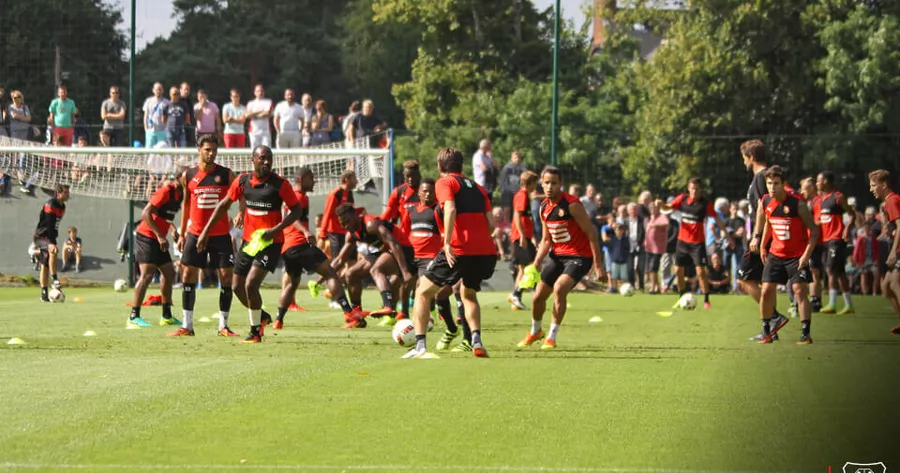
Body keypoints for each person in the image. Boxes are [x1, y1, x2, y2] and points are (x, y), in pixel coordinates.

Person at [198, 145, 304, 343]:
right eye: (262, 158)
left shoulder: (280, 184)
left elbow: (297, 211)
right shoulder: (242, 181)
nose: (267, 162)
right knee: (236, 286)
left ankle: (255, 332)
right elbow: (223, 205)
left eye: (269, 158)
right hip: (249, 242)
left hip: (271, 243)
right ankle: (261, 316)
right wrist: (205, 232)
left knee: (251, 284)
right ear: (252, 160)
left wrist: (276, 230)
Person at [404, 147, 496, 359]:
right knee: (468, 294)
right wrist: (479, 239)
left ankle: (419, 346)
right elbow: (492, 223)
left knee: (422, 292)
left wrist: (446, 243)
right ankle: (476, 341)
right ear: (462, 166)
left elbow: (451, 209)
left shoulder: (445, 182)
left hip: (460, 249)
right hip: (485, 253)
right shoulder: (478, 188)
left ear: (439, 166)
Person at [518, 166, 604, 350]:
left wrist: (598, 266)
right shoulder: (543, 208)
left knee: (559, 288)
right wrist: (536, 264)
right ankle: (536, 331)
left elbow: (591, 234)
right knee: (537, 297)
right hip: (557, 256)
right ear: (541, 183)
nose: (549, 187)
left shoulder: (572, 205)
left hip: (579, 256)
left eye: (554, 183)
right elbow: (546, 240)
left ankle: (551, 336)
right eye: (546, 182)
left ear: (561, 184)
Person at [275, 167, 364, 329]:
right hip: (299, 243)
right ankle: (349, 313)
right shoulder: (299, 197)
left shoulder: (300, 197)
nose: (314, 181)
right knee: (331, 273)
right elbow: (290, 217)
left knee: (292, 284)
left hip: (288, 247)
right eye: (311, 178)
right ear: (301, 180)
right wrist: (307, 231)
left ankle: (278, 320)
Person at [173, 134, 240, 338]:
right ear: (199, 150)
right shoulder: (189, 175)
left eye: (214, 150)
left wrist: (241, 212)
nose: (211, 153)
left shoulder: (226, 174)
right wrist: (183, 232)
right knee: (187, 275)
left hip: (220, 235)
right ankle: (187, 326)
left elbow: (240, 192)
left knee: (226, 277)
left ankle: (223, 326)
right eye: (207, 149)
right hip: (194, 233)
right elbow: (186, 205)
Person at [750, 165, 818, 344]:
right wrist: (763, 245)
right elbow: (768, 224)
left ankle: (805, 334)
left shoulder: (797, 204)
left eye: (776, 183)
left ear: (784, 184)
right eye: (769, 183)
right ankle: (767, 331)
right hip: (775, 254)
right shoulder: (765, 201)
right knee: (766, 290)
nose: (772, 187)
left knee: (799, 290)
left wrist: (805, 256)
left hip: (796, 255)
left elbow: (814, 231)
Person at [737, 140, 788, 341]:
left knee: (743, 279)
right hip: (766, 235)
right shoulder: (762, 177)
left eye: (743, 157)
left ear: (750, 157)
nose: (743, 161)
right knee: (767, 283)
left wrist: (758, 236)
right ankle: (769, 329)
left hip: (761, 237)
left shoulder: (760, 178)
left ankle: (774, 317)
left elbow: (764, 209)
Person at [400, 178, 461, 350]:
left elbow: (444, 232)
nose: (428, 194)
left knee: (425, 288)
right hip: (413, 255)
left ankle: (428, 320)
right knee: (405, 284)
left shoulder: (437, 211)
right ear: (418, 192)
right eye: (424, 191)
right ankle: (403, 314)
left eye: (431, 191)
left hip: (429, 257)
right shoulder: (411, 211)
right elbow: (405, 232)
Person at [658, 177, 729, 309]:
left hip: (697, 243)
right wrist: (661, 204)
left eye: (697, 189)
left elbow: (716, 218)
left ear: (700, 190)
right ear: (688, 189)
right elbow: (668, 207)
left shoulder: (705, 204)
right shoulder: (682, 199)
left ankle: (706, 299)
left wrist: (726, 234)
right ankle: (681, 296)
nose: (694, 191)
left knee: (701, 272)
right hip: (682, 242)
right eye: (692, 188)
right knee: (678, 270)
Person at [129, 176, 183, 327]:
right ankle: (134, 316)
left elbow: (165, 216)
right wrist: (160, 235)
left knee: (169, 272)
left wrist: (172, 230)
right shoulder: (166, 191)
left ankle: (166, 316)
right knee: (147, 275)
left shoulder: (181, 194)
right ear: (180, 178)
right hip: (147, 236)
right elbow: (146, 213)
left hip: (159, 237)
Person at [380, 160, 421, 321]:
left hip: (422, 242)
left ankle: (422, 311)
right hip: (403, 243)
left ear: (419, 173)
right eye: (406, 176)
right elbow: (388, 217)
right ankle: (394, 312)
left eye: (412, 176)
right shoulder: (399, 192)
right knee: (397, 278)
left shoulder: (427, 190)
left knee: (417, 280)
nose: (410, 179)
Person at [814, 171, 856, 314]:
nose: (817, 183)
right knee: (839, 272)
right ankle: (849, 305)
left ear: (825, 181)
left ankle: (832, 303)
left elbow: (852, 214)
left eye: (818, 180)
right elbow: (824, 219)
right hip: (826, 239)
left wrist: (847, 229)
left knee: (830, 270)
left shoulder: (838, 197)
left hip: (836, 239)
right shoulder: (821, 199)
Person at [867, 170, 900, 334]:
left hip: (899, 249)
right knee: (886, 286)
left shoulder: (892, 201)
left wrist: (894, 251)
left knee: (894, 283)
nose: (871, 189)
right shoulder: (889, 202)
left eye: (874, 186)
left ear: (884, 185)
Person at [508, 170, 539, 310]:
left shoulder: (524, 195)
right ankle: (516, 293)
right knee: (532, 266)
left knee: (523, 268)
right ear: (531, 183)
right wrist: (521, 235)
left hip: (523, 236)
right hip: (520, 236)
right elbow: (517, 216)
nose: (536, 187)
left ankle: (516, 299)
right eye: (535, 183)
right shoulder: (522, 195)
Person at [33, 184, 70, 301]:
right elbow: (49, 225)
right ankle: (55, 279)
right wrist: (51, 243)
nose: (68, 194)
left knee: (45, 265)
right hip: (41, 236)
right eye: (66, 192)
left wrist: (52, 240)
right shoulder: (50, 204)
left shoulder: (62, 206)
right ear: (58, 194)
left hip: (50, 237)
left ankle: (44, 295)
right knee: (54, 251)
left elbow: (55, 226)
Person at [319, 170, 357, 263]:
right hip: (335, 235)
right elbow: (327, 214)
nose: (356, 181)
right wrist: (322, 236)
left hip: (348, 233)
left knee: (352, 262)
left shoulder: (350, 194)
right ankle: (330, 277)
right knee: (337, 263)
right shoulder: (335, 194)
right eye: (354, 178)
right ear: (347, 179)